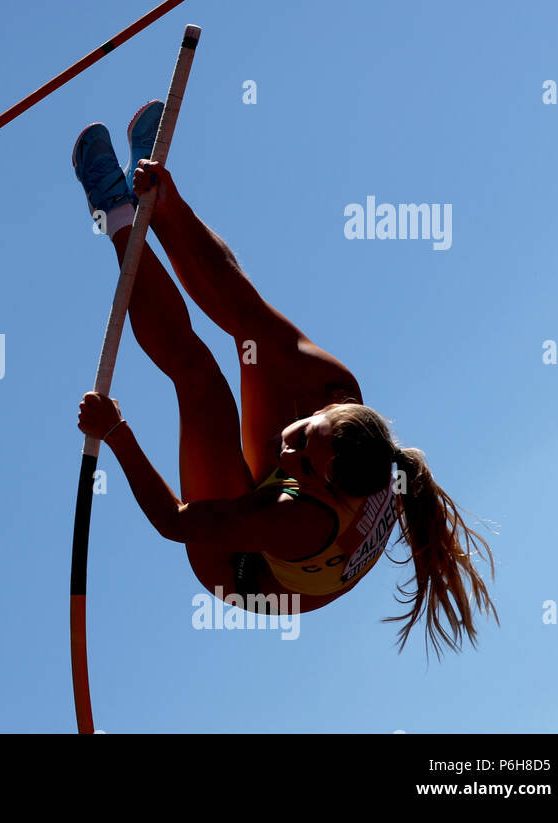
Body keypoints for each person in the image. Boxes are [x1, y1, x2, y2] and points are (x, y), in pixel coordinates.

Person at [72, 101, 497, 656]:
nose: (286, 443)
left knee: (202, 382)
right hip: (314, 495)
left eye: (299, 458)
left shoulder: (297, 517)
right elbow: (241, 300)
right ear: (334, 408)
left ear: (321, 482)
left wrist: (117, 432)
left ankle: (114, 212)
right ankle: (148, 199)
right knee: (253, 337)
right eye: (305, 431)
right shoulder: (332, 385)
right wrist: (173, 206)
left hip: (241, 566)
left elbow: (177, 523)